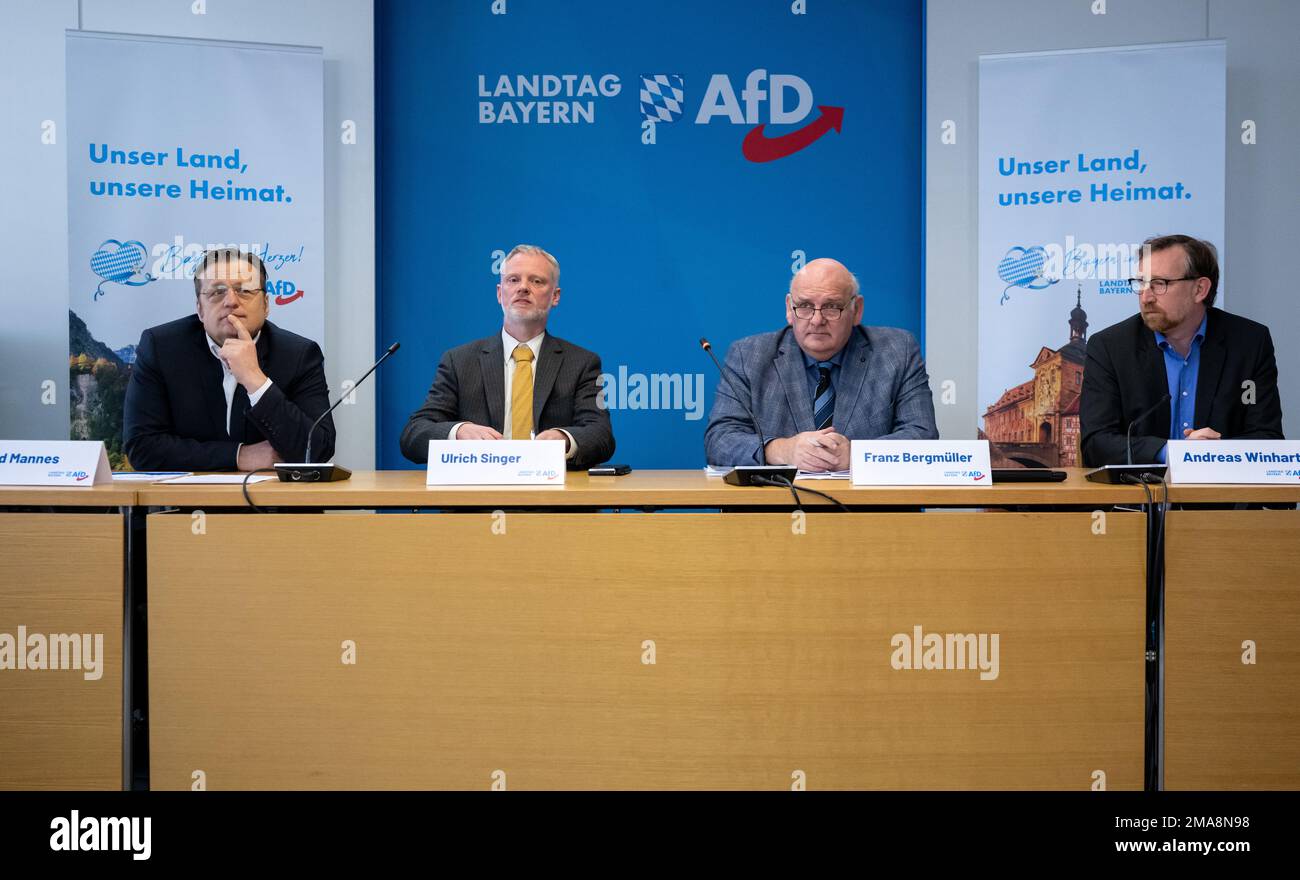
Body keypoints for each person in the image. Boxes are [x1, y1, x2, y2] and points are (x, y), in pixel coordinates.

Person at [704, 257, 938, 471]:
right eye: (804, 306)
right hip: (775, 510)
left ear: (856, 310)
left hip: (867, 511)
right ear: (789, 309)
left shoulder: (897, 352)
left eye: (831, 307)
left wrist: (858, 455)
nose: (817, 320)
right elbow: (720, 440)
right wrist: (782, 450)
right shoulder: (749, 356)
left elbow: (922, 434)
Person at [400, 244, 615, 469]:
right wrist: (458, 432)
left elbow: (601, 435)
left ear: (555, 296)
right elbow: (413, 434)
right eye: (513, 280)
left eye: (536, 281)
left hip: (554, 499)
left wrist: (564, 439)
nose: (523, 287)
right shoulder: (459, 361)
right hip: (478, 499)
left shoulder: (581, 363)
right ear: (499, 293)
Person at [1080, 234, 1284, 466]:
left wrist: (1216, 454)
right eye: (1141, 283)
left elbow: (1267, 437)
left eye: (1160, 284)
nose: (1146, 297)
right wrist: (1173, 453)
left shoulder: (1249, 344)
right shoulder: (1110, 348)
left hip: (1221, 498)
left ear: (1200, 289)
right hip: (1137, 497)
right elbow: (1096, 443)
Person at [123, 248, 334, 471]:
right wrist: (239, 456)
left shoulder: (299, 355)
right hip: (187, 503)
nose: (231, 301)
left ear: (266, 305)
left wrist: (256, 380)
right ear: (200, 309)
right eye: (217, 292)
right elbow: (142, 447)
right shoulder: (161, 348)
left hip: (273, 504)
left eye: (244, 290)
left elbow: (317, 451)